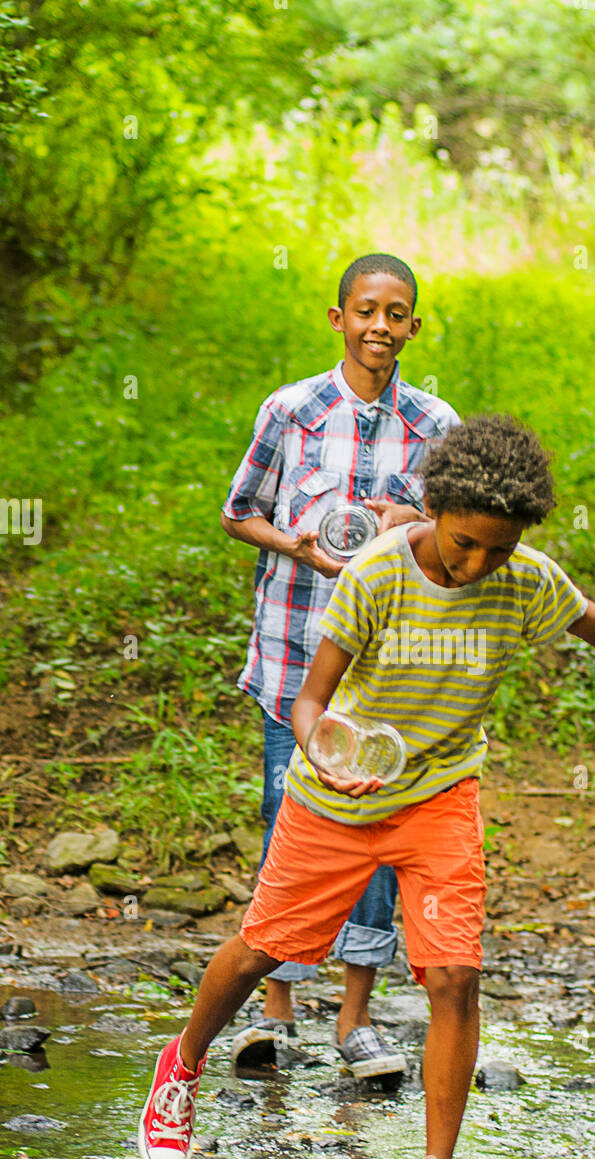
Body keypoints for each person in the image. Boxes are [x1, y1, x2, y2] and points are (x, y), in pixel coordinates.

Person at [138, 414, 595, 1159]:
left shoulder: (527, 580)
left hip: (438, 795)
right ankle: (180, 1065)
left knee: (454, 976)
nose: (477, 564)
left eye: (496, 550)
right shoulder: (377, 574)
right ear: (432, 508)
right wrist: (323, 753)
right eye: (465, 543)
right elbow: (310, 699)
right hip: (336, 796)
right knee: (261, 949)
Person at [220, 252, 460, 1076]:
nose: (379, 328)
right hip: (295, 652)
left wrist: (402, 519)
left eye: (396, 315)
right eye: (365, 311)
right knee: (289, 824)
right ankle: (275, 1010)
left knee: (380, 835)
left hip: (391, 670)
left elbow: (452, 544)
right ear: (338, 318)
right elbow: (238, 513)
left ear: (413, 328)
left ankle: (354, 1021)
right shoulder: (290, 411)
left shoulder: (437, 425)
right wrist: (300, 545)